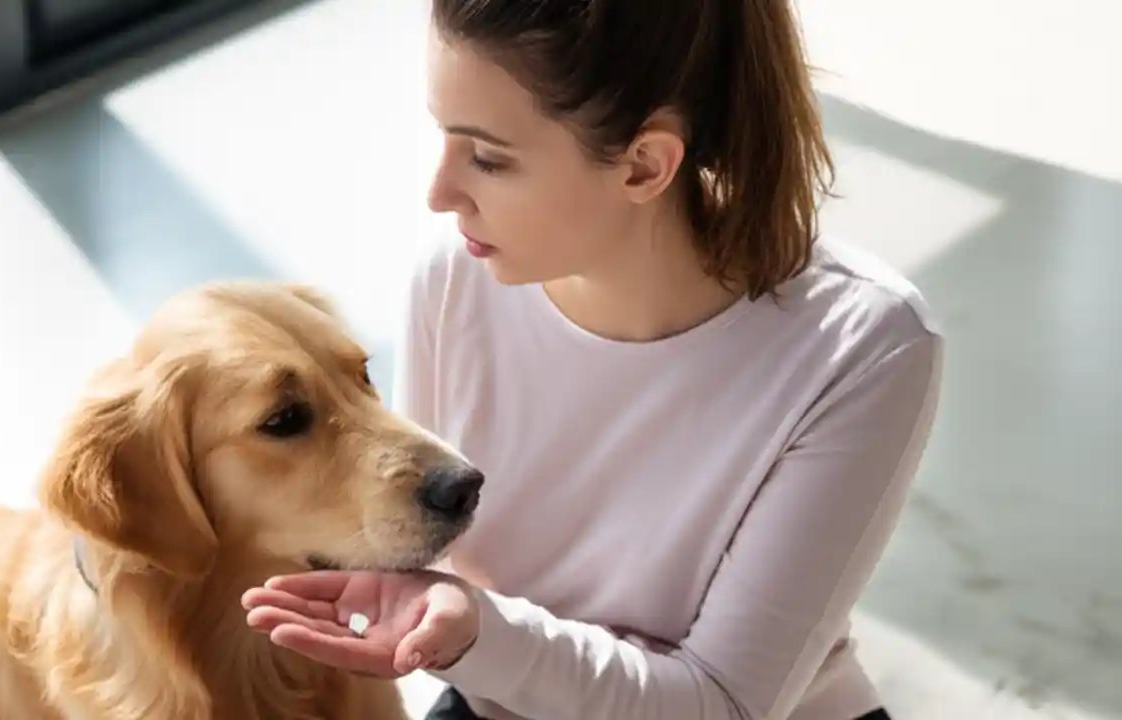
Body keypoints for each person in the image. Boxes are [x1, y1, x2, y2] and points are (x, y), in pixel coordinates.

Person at [241, 1, 942, 718]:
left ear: (643, 166)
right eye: (444, 137)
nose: (439, 193)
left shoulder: (862, 346)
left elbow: (723, 701)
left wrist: (482, 637)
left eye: (487, 157)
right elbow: (425, 549)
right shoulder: (455, 280)